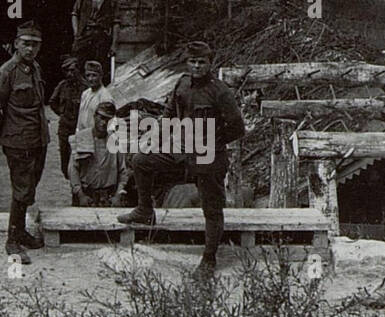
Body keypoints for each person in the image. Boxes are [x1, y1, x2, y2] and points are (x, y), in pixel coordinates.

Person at [118, 41, 246, 278]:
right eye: (192, 61)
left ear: (210, 63)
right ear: (187, 63)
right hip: (182, 151)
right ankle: (145, 210)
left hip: (209, 156)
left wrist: (213, 142)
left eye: (201, 62)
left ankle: (209, 259)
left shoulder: (220, 91)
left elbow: (238, 128)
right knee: (140, 161)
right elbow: (169, 116)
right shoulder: (182, 83)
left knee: (212, 209)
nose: (196, 66)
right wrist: (155, 140)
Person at [0, 20, 49, 263]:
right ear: (16, 44)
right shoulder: (6, 72)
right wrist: (3, 136)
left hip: (38, 139)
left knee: (29, 188)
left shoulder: (35, 69)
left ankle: (21, 231)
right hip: (18, 141)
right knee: (22, 190)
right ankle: (12, 240)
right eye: (26, 44)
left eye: (35, 45)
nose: (30, 49)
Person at [68, 60, 120, 207]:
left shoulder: (105, 97)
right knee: (77, 170)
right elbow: (80, 119)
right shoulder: (86, 93)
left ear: (101, 76)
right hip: (84, 139)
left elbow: (110, 123)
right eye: (88, 75)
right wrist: (77, 138)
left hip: (98, 141)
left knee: (93, 175)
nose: (91, 79)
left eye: (94, 75)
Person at [71, 0, 116, 80]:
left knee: (100, 67)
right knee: (80, 65)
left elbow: (116, 22)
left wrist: (114, 44)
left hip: (101, 37)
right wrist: (76, 33)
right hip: (85, 35)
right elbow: (75, 14)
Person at [48, 56, 87, 185]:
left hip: (79, 128)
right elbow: (52, 101)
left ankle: (77, 187)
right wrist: (62, 113)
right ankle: (70, 179)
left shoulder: (85, 87)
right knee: (65, 161)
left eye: (72, 70)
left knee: (79, 160)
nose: (70, 74)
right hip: (65, 128)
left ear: (78, 70)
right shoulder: (62, 86)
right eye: (67, 71)